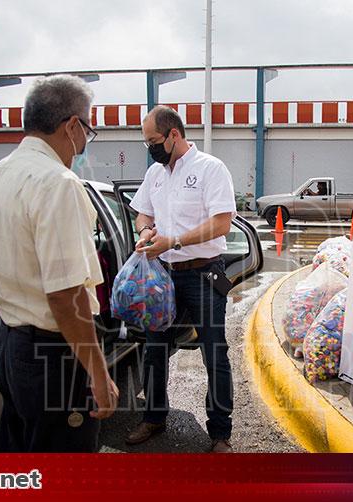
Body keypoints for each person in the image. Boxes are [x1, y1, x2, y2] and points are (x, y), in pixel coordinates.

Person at [0, 74, 118, 452]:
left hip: (11, 348)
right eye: (88, 131)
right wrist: (99, 375)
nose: (85, 142)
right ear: (72, 126)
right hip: (54, 356)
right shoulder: (59, 184)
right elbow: (66, 295)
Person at [126, 105, 237, 453]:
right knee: (154, 350)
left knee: (214, 353)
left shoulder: (210, 169)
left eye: (154, 141)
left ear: (174, 134)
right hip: (163, 275)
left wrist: (173, 241)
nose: (151, 149)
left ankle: (220, 433)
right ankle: (154, 418)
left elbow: (222, 223)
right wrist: (145, 231)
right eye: (147, 143)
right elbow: (143, 212)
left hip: (203, 275)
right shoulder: (156, 173)